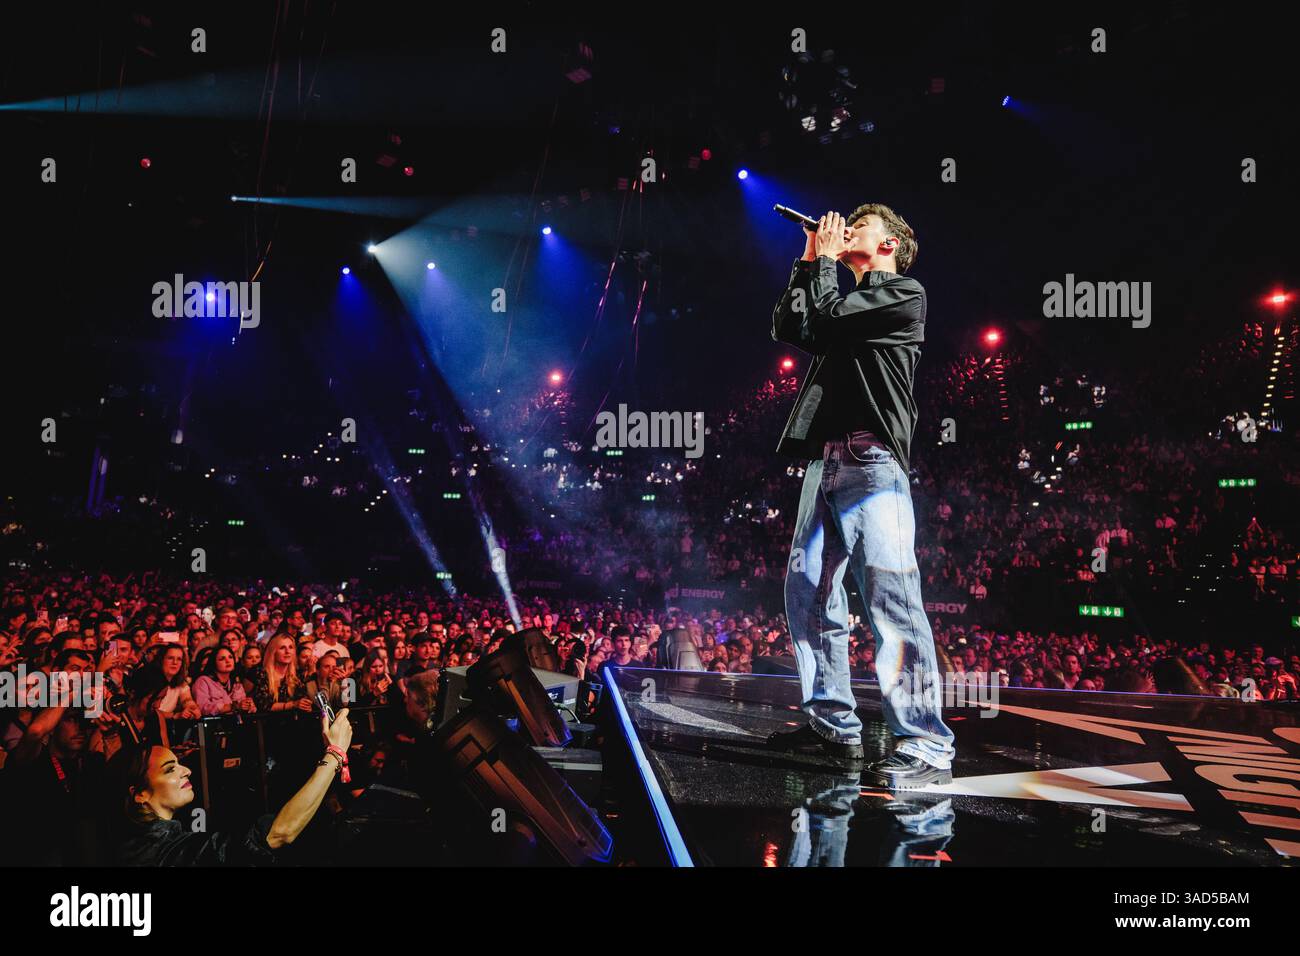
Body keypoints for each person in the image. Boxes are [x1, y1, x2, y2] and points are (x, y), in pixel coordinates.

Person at [768, 202, 955, 788]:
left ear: (889, 245)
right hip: (827, 463)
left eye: (861, 225)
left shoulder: (904, 293)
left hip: (874, 466)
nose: (847, 229)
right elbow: (791, 328)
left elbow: (825, 321)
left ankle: (925, 743)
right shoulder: (842, 301)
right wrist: (806, 264)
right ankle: (831, 723)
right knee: (809, 589)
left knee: (890, 597)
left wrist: (823, 265)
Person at [108, 708, 353, 865]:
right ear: (139, 794)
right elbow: (279, 833)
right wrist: (334, 754)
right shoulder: (158, 851)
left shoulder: (140, 843)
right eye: (170, 769)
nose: (187, 770)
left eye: (179, 763)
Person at [193, 646, 255, 716]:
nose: (228, 661)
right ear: (214, 663)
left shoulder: (236, 684)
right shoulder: (203, 681)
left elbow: (242, 705)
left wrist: (249, 706)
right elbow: (203, 708)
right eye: (222, 659)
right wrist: (232, 706)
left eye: (230, 657)